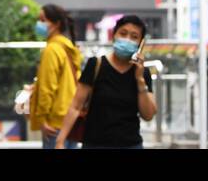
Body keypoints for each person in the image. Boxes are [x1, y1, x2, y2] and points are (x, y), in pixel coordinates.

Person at [55, 14, 157, 149]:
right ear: (114, 35)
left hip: (130, 144)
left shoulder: (142, 72)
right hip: (95, 144)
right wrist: (60, 141)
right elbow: (76, 105)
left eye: (134, 37)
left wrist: (139, 80)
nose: (127, 39)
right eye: (123, 33)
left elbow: (148, 115)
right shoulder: (95, 65)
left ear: (140, 43)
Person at [29, 4, 83, 149]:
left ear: (56, 24)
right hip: (71, 120)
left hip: (54, 122)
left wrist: (42, 120)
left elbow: (48, 88)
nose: (39, 24)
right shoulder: (68, 48)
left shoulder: (51, 50)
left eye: (43, 19)